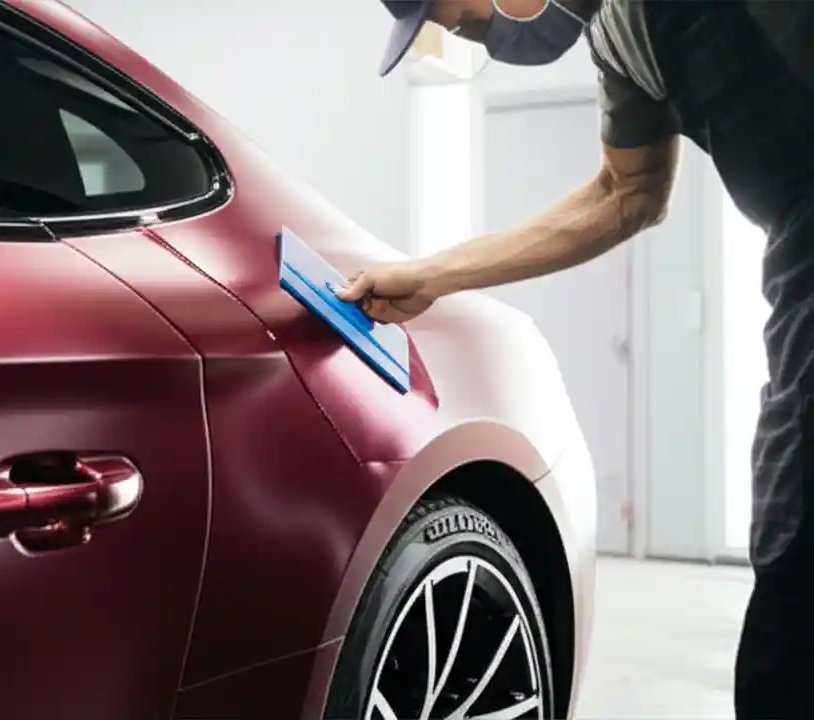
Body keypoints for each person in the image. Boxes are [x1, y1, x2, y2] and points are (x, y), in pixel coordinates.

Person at [345, 0, 814, 717]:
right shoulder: (619, 42)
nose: (459, 32)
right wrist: (429, 276)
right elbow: (625, 195)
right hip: (799, 254)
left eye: (448, 11)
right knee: (789, 540)